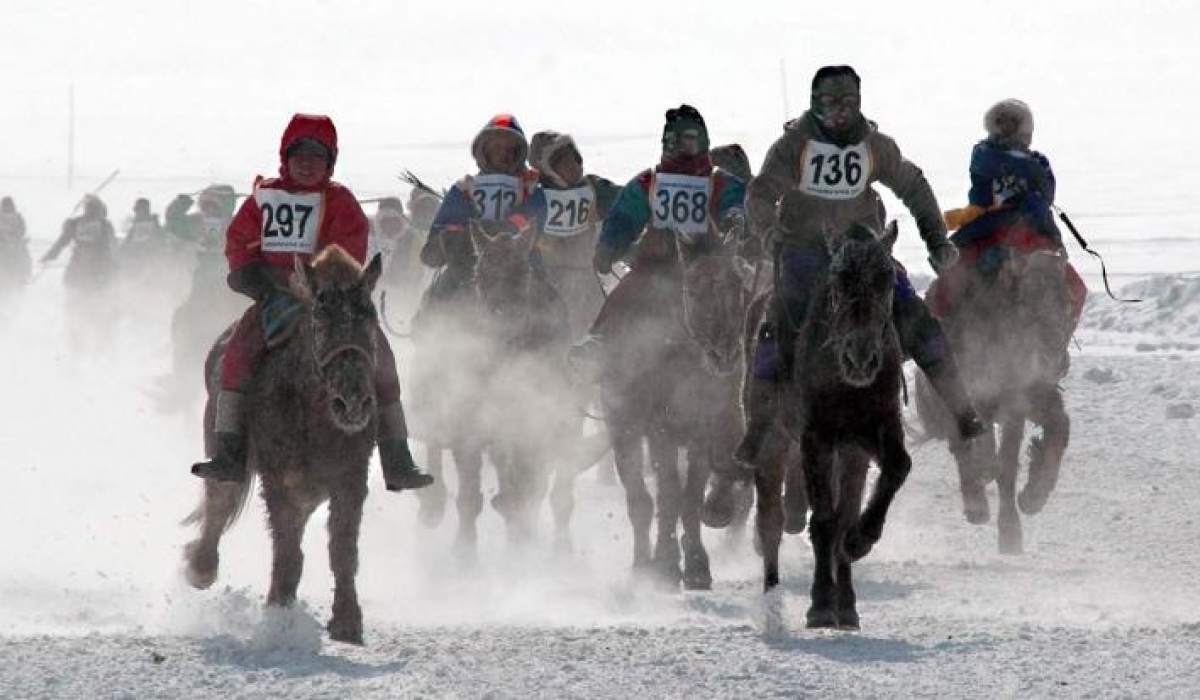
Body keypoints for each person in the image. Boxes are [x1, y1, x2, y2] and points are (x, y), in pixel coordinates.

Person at [736, 65, 985, 469]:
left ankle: (961, 409)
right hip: (805, 250)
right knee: (775, 322)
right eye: (830, 103)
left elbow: (913, 186)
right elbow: (760, 192)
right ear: (815, 104)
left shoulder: (875, 146)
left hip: (863, 250)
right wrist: (768, 232)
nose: (839, 111)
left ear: (859, 102)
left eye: (848, 102)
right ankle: (759, 426)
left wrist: (937, 241)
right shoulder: (793, 145)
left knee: (915, 315)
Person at [190, 112, 433, 491]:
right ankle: (229, 449)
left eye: (316, 157)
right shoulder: (264, 196)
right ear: (285, 158)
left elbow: (348, 248)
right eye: (298, 155)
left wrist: (320, 280)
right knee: (236, 354)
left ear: (330, 162)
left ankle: (396, 455)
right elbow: (239, 239)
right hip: (275, 298)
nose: (306, 164)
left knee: (382, 359)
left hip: (333, 302)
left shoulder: (339, 201)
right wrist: (254, 273)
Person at [571, 104, 746, 363]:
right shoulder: (650, 181)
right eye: (674, 140)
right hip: (656, 264)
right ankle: (600, 339)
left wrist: (736, 219)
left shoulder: (719, 181)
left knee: (743, 293)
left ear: (702, 141)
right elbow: (624, 215)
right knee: (630, 290)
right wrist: (610, 245)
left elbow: (737, 203)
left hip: (712, 264)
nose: (681, 147)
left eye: (688, 139)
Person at [931, 99, 1087, 330]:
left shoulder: (1039, 162)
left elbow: (1045, 195)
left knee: (1076, 288)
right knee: (951, 276)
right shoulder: (984, 153)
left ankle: (1059, 336)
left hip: (1033, 230)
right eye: (1000, 122)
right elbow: (982, 184)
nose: (1004, 128)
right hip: (987, 229)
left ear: (1023, 126)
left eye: (1011, 122)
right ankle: (937, 338)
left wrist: (1025, 201)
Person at [420, 113, 540, 287]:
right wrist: (449, 240)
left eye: (509, 148)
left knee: (557, 308)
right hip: (467, 270)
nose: (503, 153)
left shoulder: (532, 188)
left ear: (518, 153)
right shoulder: (464, 189)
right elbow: (437, 242)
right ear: (484, 150)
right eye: (497, 147)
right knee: (436, 301)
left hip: (522, 270)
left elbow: (538, 220)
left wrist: (504, 228)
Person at [526, 130, 622, 337]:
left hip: (586, 281)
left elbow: (626, 203)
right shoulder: (533, 195)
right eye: (561, 161)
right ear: (546, 169)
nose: (572, 165)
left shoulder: (594, 188)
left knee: (604, 336)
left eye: (573, 158)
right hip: (545, 284)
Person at [41, 194, 117, 290]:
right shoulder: (83, 223)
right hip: (88, 264)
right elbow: (63, 240)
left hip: (88, 264)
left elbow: (62, 241)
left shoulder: (80, 223)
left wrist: (51, 254)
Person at [0, 196, 32, 285]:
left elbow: (22, 230)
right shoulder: (18, 217)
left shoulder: (17, 217)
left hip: (11, 246)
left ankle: (23, 276)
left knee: (24, 257)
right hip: (11, 246)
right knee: (24, 257)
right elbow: (23, 230)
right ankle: (24, 275)